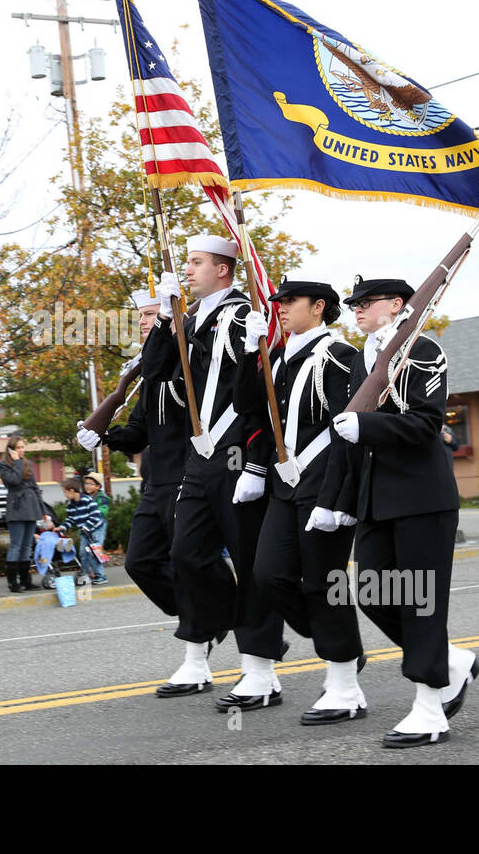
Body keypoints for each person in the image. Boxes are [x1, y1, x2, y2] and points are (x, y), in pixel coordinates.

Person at [331, 276, 476, 748]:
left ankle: (430, 707)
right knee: (373, 594)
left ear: (396, 305)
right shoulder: (363, 359)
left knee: (421, 602)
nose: (356, 308)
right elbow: (354, 441)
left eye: (365, 302)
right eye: (354, 303)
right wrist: (337, 503)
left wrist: (367, 425)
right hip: (376, 500)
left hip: (420, 498)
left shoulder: (422, 349)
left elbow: (424, 423)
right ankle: (450, 663)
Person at [147, 235, 287, 710]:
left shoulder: (245, 317)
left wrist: (254, 463)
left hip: (236, 452)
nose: (187, 269)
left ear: (223, 270)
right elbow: (155, 371)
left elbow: (262, 398)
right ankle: (232, 628)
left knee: (250, 562)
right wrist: (166, 317)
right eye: (187, 262)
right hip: (201, 455)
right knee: (187, 553)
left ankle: (260, 669)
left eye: (196, 262)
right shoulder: (189, 318)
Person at [235, 274, 368, 726]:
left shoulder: (339, 355)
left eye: (291, 301)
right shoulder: (279, 357)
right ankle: (342, 647)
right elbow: (246, 406)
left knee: (323, 583)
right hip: (285, 484)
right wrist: (253, 354)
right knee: (268, 574)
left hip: (325, 485)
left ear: (319, 306)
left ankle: (345, 687)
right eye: (280, 302)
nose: (282, 308)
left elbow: (345, 429)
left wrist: (337, 496)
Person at [76, 287, 193, 682]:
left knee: (190, 564)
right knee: (139, 562)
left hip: (188, 480)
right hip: (156, 483)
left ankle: (202, 637)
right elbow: (140, 432)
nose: (143, 321)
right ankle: (207, 616)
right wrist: (105, 436)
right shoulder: (148, 372)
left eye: (150, 314)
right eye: (140, 315)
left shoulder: (189, 362)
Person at [0, 434, 43, 594]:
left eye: (23, 447)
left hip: (31, 505)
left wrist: (42, 509)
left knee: (27, 545)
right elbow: (14, 481)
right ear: (11, 450)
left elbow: (35, 486)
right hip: (16, 507)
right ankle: (13, 582)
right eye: (18, 447)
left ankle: (26, 580)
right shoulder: (4, 465)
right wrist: (16, 461)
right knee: (16, 545)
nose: (22, 450)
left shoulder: (27, 463)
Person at [62, 476, 108, 585]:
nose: (64, 495)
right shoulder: (71, 506)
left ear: (72, 491)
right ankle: (85, 574)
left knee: (94, 553)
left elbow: (96, 516)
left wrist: (86, 526)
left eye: (65, 492)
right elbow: (71, 519)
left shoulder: (88, 501)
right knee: (83, 553)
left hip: (96, 530)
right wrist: (63, 527)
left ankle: (100, 576)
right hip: (84, 532)